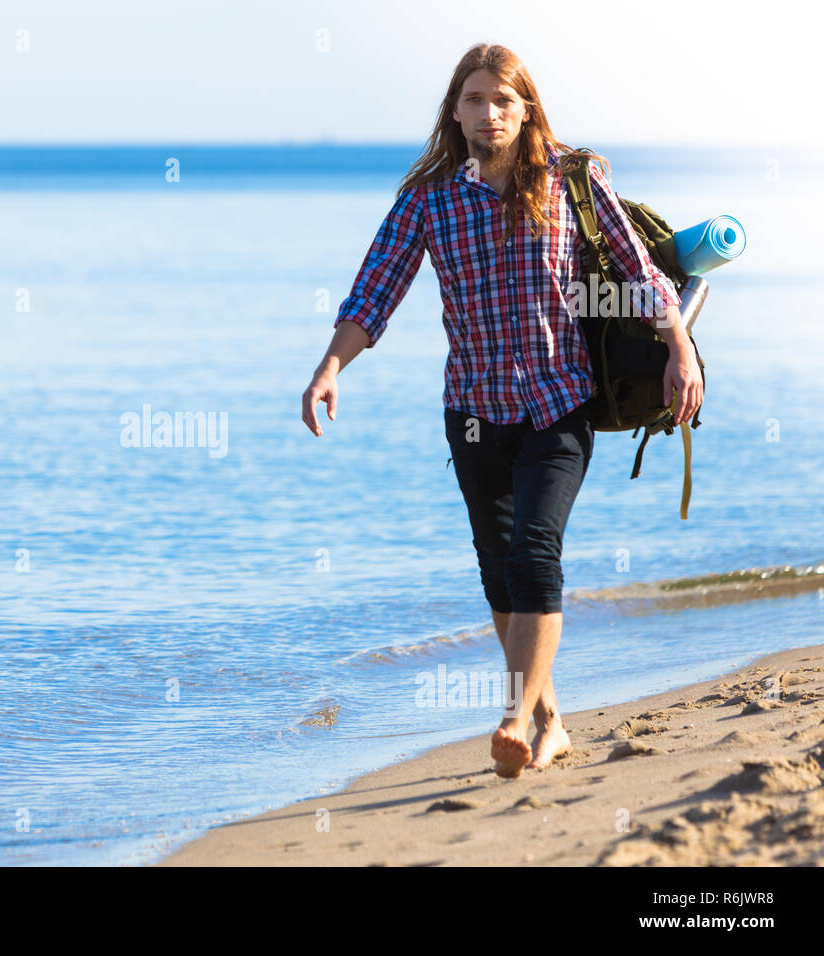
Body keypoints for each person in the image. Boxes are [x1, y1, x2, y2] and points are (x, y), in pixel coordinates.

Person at [300, 43, 704, 778]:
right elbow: (375, 292)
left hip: (560, 401)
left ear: (526, 109)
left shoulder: (570, 180)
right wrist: (330, 367)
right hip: (476, 411)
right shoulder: (428, 196)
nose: (489, 114)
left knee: (533, 553)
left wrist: (680, 345)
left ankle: (514, 715)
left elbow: (638, 269)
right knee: (497, 571)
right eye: (475, 100)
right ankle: (550, 721)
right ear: (454, 110)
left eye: (504, 101)